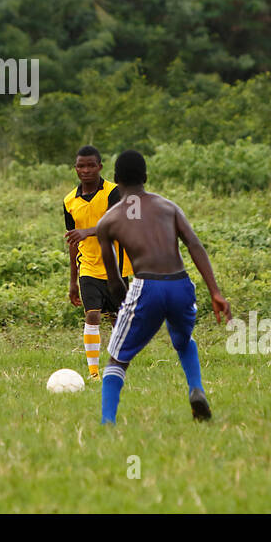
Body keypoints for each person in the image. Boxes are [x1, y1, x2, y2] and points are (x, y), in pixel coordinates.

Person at [93, 150, 232, 424]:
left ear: (115, 179)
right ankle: (196, 389)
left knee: (117, 360)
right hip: (181, 284)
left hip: (147, 286)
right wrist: (215, 291)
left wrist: (124, 306)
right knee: (182, 340)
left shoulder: (107, 221)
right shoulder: (169, 207)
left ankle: (107, 422)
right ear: (145, 177)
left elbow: (113, 279)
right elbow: (194, 245)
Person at [61, 145, 133, 381]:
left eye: (91, 165)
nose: (86, 170)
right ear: (75, 168)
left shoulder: (113, 192)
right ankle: (93, 373)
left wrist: (87, 232)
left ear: (100, 166)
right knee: (92, 315)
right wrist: (73, 281)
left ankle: (117, 368)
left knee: (117, 319)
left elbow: (117, 224)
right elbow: (73, 241)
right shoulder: (69, 200)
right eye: (81, 165)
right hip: (88, 267)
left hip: (116, 268)